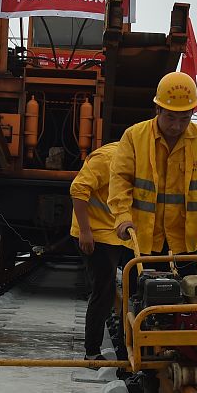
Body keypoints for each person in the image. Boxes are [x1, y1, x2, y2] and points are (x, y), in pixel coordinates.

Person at [110, 72, 197, 297]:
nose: (177, 126)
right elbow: (120, 181)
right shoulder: (134, 137)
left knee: (185, 306)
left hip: (186, 244)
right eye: (171, 117)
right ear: (158, 110)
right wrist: (122, 217)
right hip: (141, 241)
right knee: (139, 303)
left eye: (185, 119)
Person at [70, 142, 128, 360]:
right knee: (104, 291)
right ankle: (92, 353)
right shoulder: (107, 158)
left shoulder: (141, 160)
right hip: (96, 235)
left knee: (135, 290)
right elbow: (78, 189)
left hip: (120, 233)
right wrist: (85, 231)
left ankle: (127, 349)